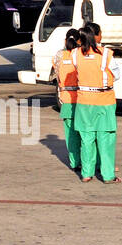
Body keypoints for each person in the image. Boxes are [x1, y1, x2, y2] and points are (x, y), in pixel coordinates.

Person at [73, 22, 121, 183]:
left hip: (84, 101)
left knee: (86, 139)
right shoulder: (106, 54)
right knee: (105, 139)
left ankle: (87, 173)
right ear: (96, 36)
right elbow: (117, 74)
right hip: (104, 100)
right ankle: (108, 175)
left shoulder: (75, 54)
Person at [54, 28, 82, 174]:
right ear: (79, 40)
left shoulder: (59, 55)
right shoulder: (82, 54)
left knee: (71, 134)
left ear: (65, 41)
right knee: (85, 134)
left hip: (66, 98)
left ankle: (75, 162)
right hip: (83, 98)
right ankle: (90, 163)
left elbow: (57, 74)